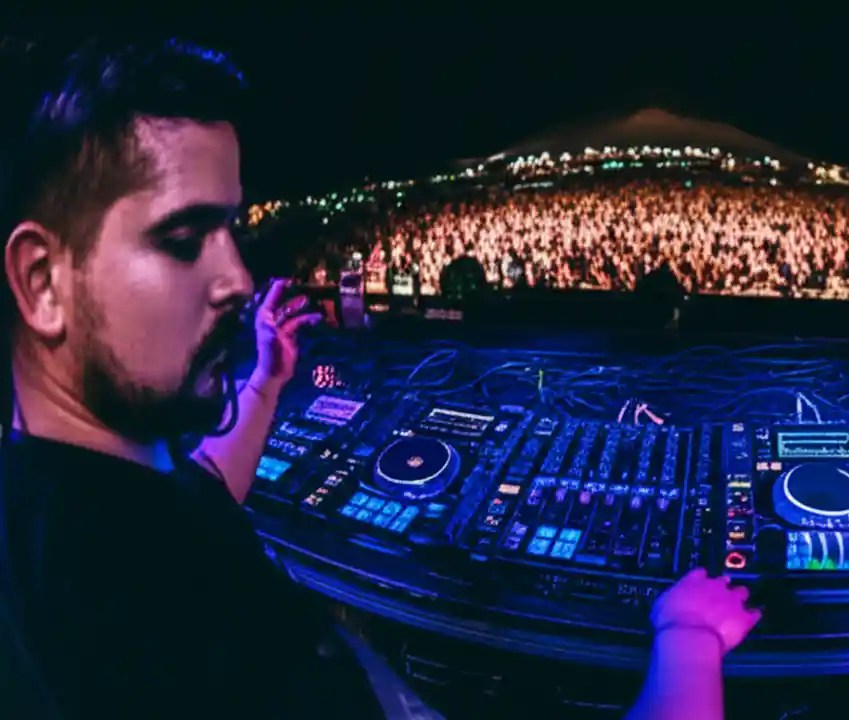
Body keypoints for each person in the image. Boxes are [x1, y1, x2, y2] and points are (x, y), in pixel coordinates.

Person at [0, 39, 760, 719]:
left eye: (232, 229)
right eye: (182, 238)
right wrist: (687, 638)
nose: (236, 275)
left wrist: (265, 382)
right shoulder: (154, 653)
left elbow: (195, 496)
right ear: (42, 284)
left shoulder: (76, 493)